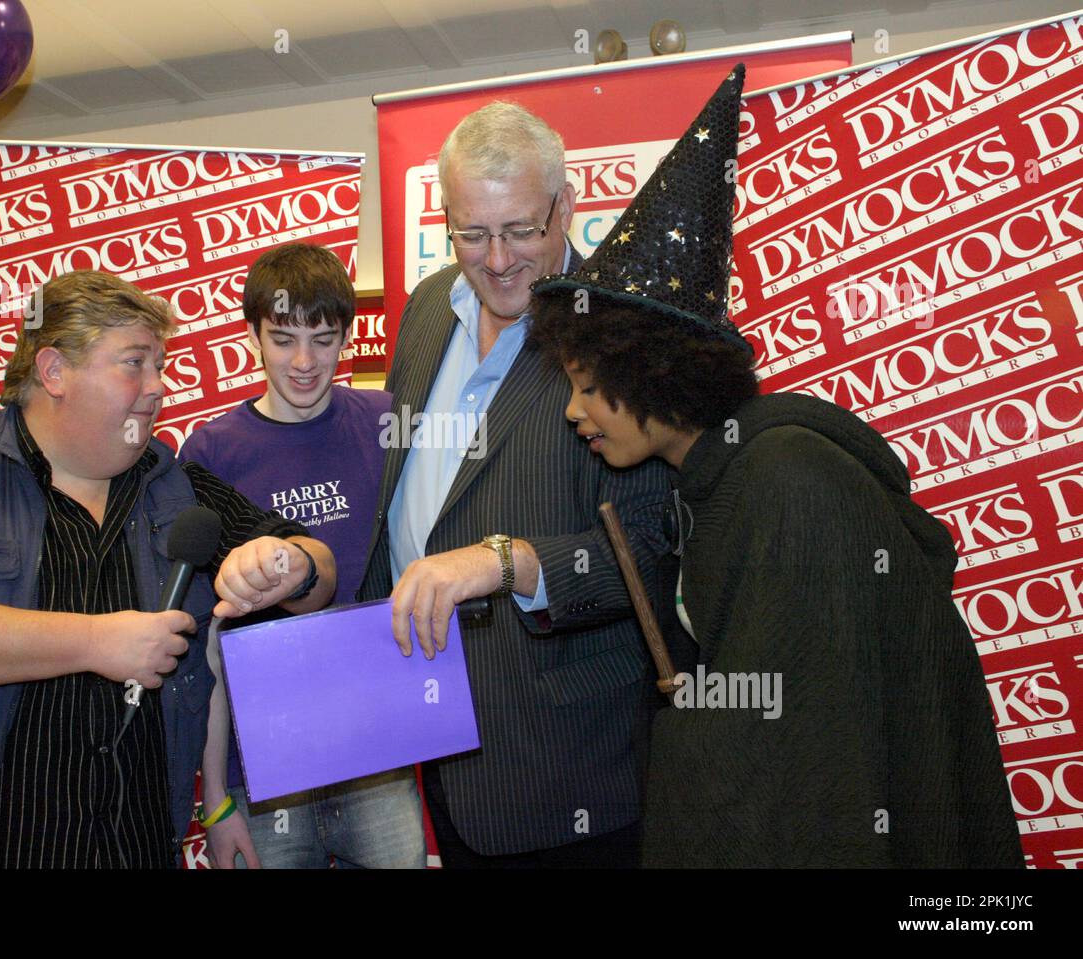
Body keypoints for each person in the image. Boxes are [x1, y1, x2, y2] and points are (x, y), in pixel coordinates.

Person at [529, 66, 1023, 867]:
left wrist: (687, 729)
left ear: (648, 374)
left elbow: (810, 748)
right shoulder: (719, 481)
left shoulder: (786, 480)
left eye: (587, 387)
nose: (573, 411)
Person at [0, 270, 336, 869]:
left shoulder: (176, 486)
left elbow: (315, 566)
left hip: (139, 847)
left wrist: (292, 565)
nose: (158, 386)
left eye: (159, 365)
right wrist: (97, 642)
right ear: (54, 372)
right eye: (135, 363)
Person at [356, 102, 690, 867]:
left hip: (572, 771)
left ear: (566, 206)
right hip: (439, 743)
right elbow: (410, 496)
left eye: (521, 230)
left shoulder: (625, 331)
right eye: (472, 233)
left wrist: (504, 561)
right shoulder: (429, 308)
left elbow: (654, 548)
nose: (498, 259)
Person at [180, 242, 424, 869]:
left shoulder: (387, 422)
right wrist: (216, 797)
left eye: (323, 338)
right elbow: (204, 637)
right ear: (253, 337)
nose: (305, 362)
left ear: (348, 335)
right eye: (283, 338)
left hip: (377, 748)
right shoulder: (210, 452)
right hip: (262, 765)